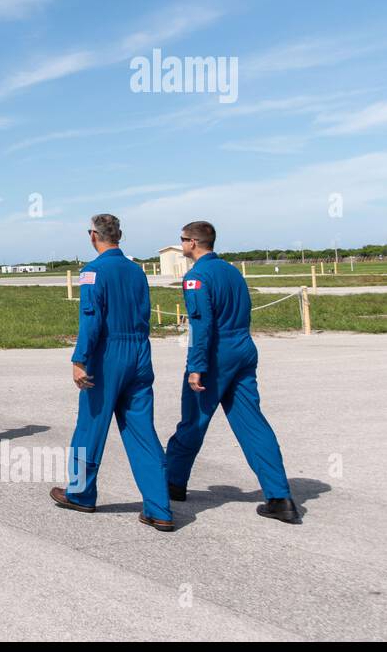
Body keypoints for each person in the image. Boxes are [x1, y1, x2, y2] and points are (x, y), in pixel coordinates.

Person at [165, 221, 299, 523]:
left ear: (193, 243)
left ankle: (172, 483)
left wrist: (197, 367)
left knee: (194, 421)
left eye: (183, 240)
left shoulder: (196, 277)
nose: (182, 245)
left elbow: (202, 325)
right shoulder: (232, 272)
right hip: (243, 348)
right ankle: (280, 497)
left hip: (216, 354)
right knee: (253, 425)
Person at [51, 214, 174, 531]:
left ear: (93, 235)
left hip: (108, 354)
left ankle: (80, 492)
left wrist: (80, 359)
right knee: (142, 430)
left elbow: (91, 319)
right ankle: (159, 506)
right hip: (139, 352)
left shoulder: (92, 271)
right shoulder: (137, 271)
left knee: (89, 427)